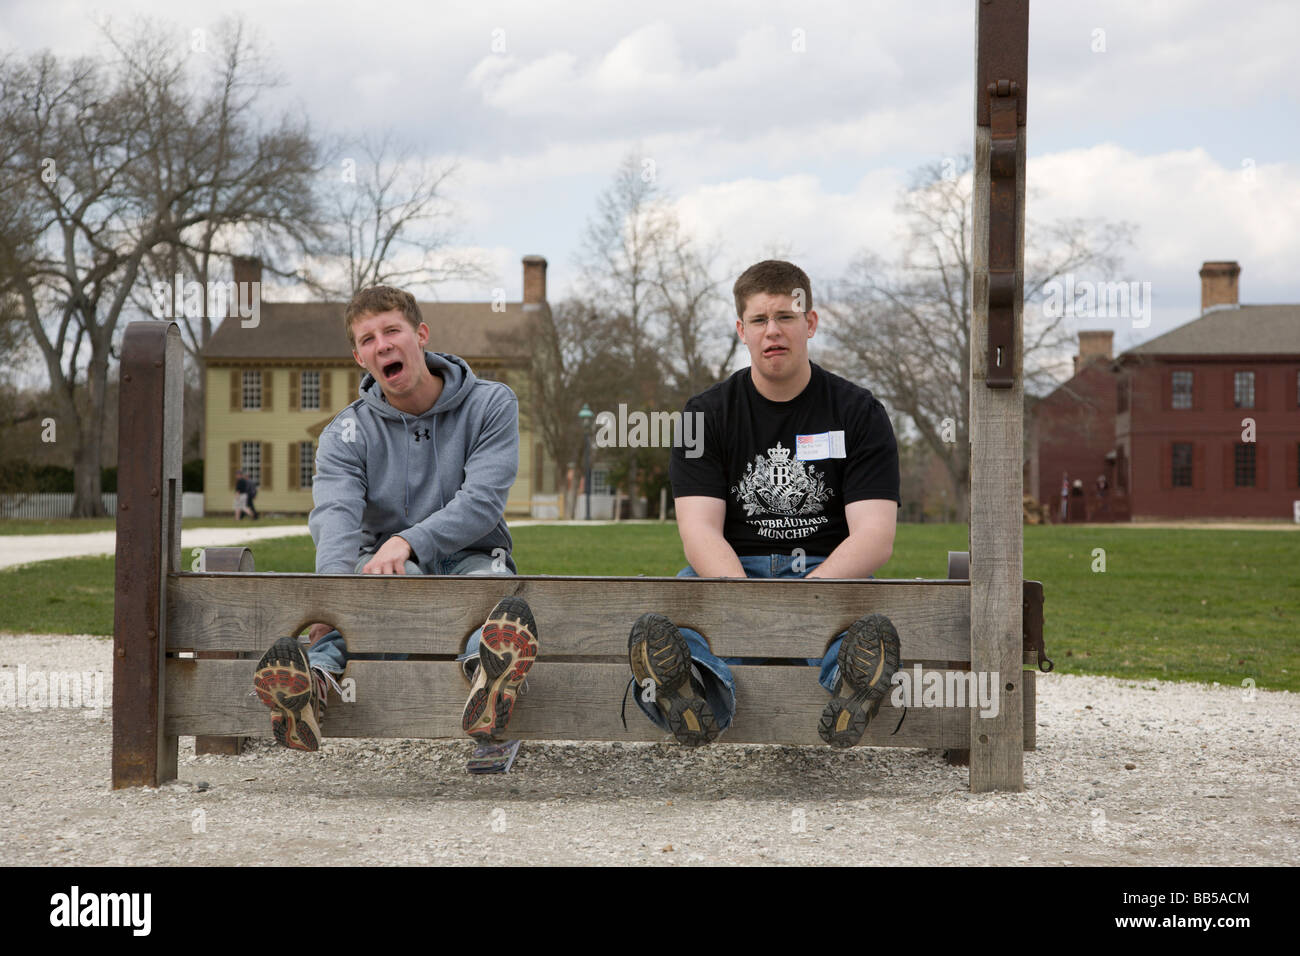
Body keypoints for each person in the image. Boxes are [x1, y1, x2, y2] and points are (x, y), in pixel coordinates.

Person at [626, 260, 902, 749]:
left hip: (829, 575)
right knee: (677, 623)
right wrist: (748, 603)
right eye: (759, 320)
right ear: (742, 331)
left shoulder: (859, 412)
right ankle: (693, 692)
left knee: (860, 630)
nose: (772, 331)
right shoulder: (702, 417)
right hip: (731, 573)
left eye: (786, 317)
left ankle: (851, 684)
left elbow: (875, 535)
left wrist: (804, 599)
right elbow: (699, 532)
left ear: (810, 323)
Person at [252, 285, 537, 751]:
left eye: (391, 330)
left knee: (492, 597)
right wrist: (331, 600)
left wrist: (407, 540)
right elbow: (336, 517)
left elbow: (482, 501)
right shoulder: (345, 434)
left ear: (420, 334)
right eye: (367, 340)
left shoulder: (491, 404)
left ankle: (486, 677)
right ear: (360, 359)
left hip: (475, 554)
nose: (381, 344)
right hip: (390, 568)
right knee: (376, 592)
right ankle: (312, 682)